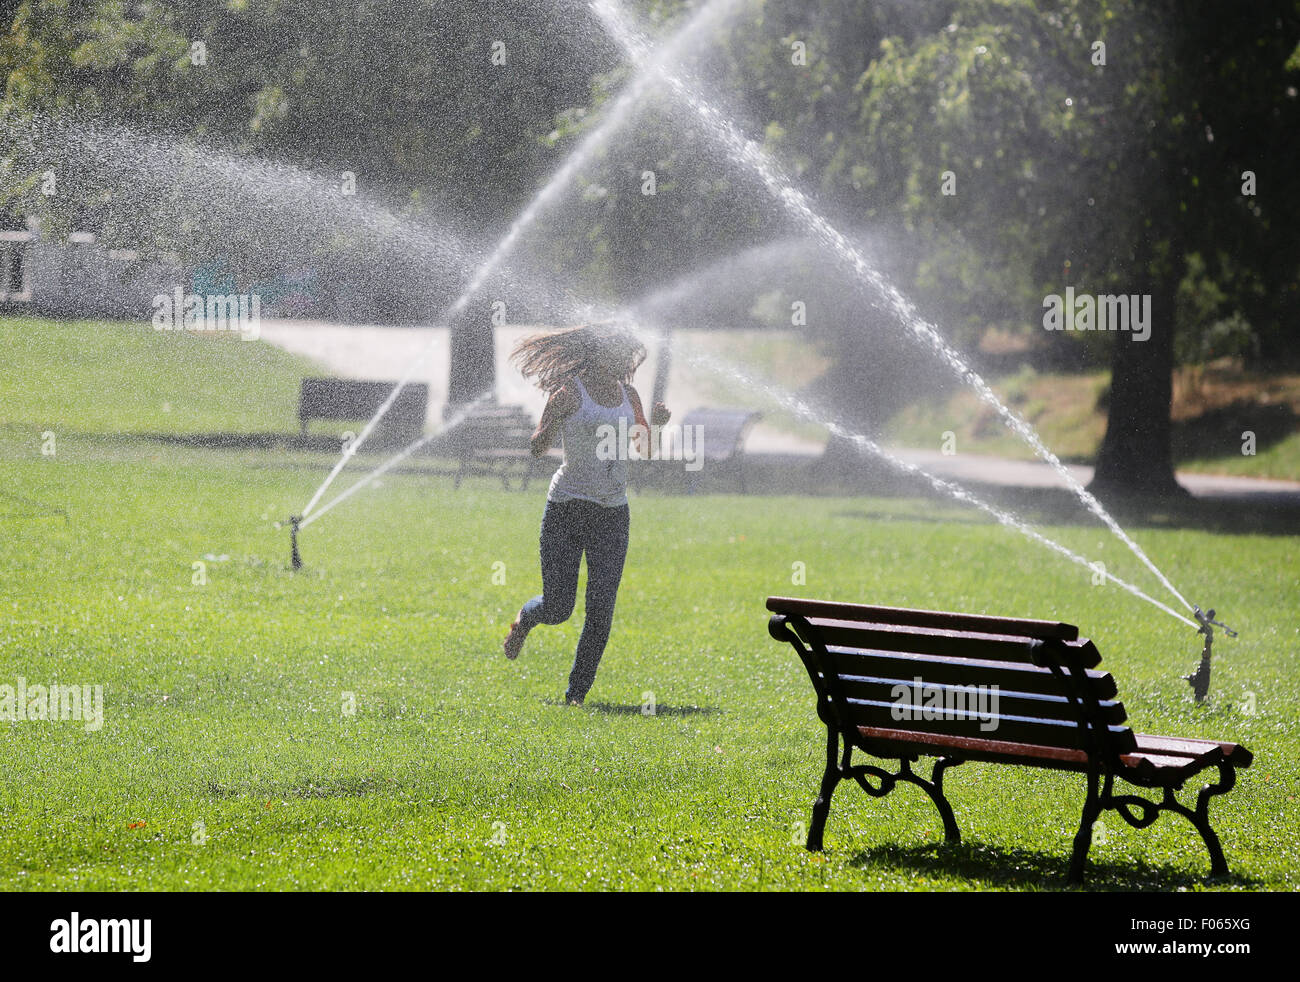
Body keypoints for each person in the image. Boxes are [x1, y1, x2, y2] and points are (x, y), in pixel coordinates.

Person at [502, 322, 670, 706]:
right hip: (566, 509)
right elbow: (536, 449)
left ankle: (575, 696)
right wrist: (554, 419)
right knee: (559, 608)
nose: (628, 362)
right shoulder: (569, 393)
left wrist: (656, 426)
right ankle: (526, 620)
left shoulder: (629, 395)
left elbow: (644, 450)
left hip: (612, 514)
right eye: (621, 353)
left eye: (630, 356)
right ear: (598, 352)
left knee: (601, 611)